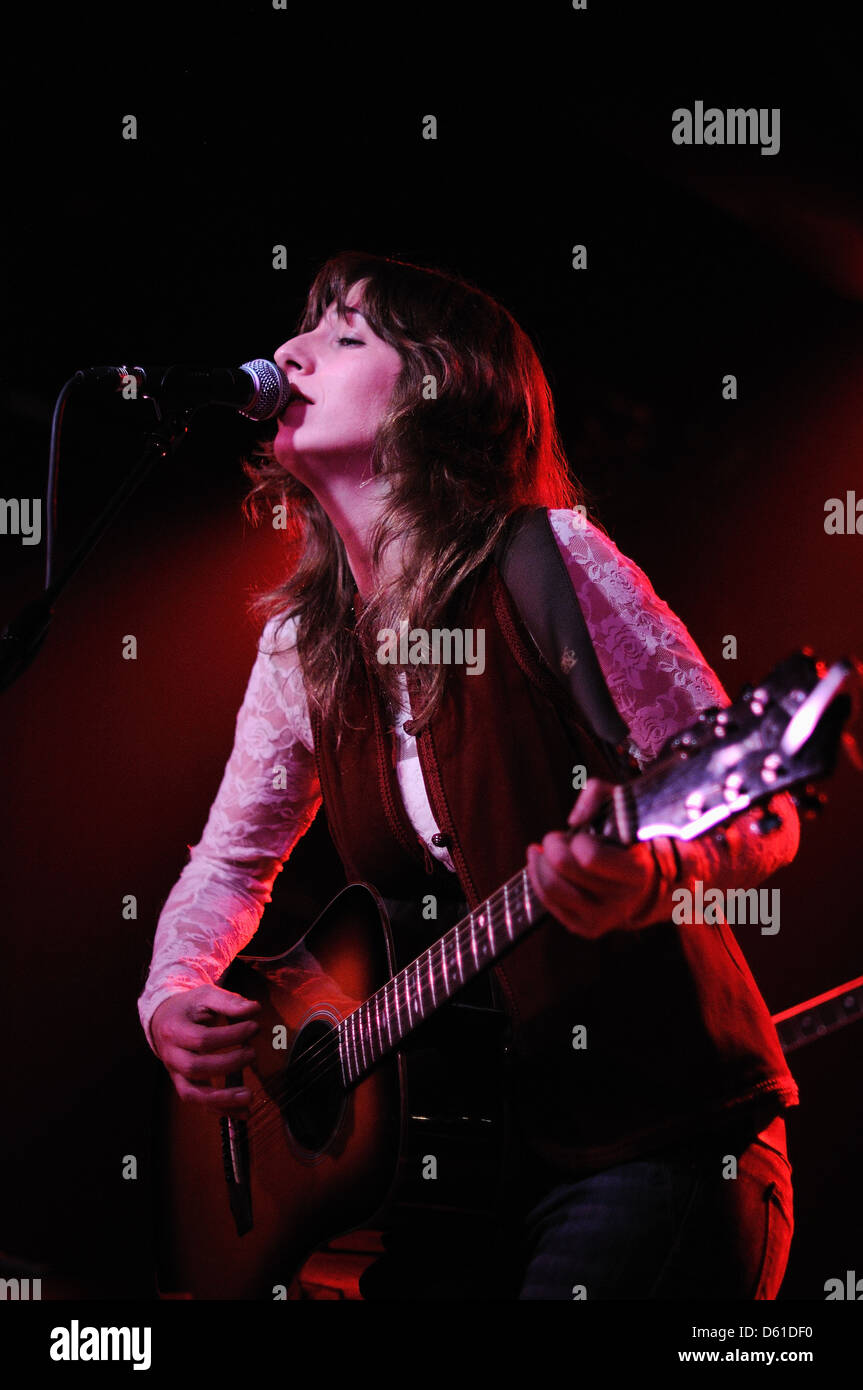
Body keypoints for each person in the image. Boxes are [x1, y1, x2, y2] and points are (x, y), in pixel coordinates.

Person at [138, 250, 800, 1300]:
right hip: (453, 1181)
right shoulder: (302, 646)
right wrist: (170, 992)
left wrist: (647, 872)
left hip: (651, 1147)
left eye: (346, 335)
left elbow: (758, 818)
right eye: (303, 327)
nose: (287, 351)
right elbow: (227, 864)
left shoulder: (548, 560)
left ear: (442, 389)